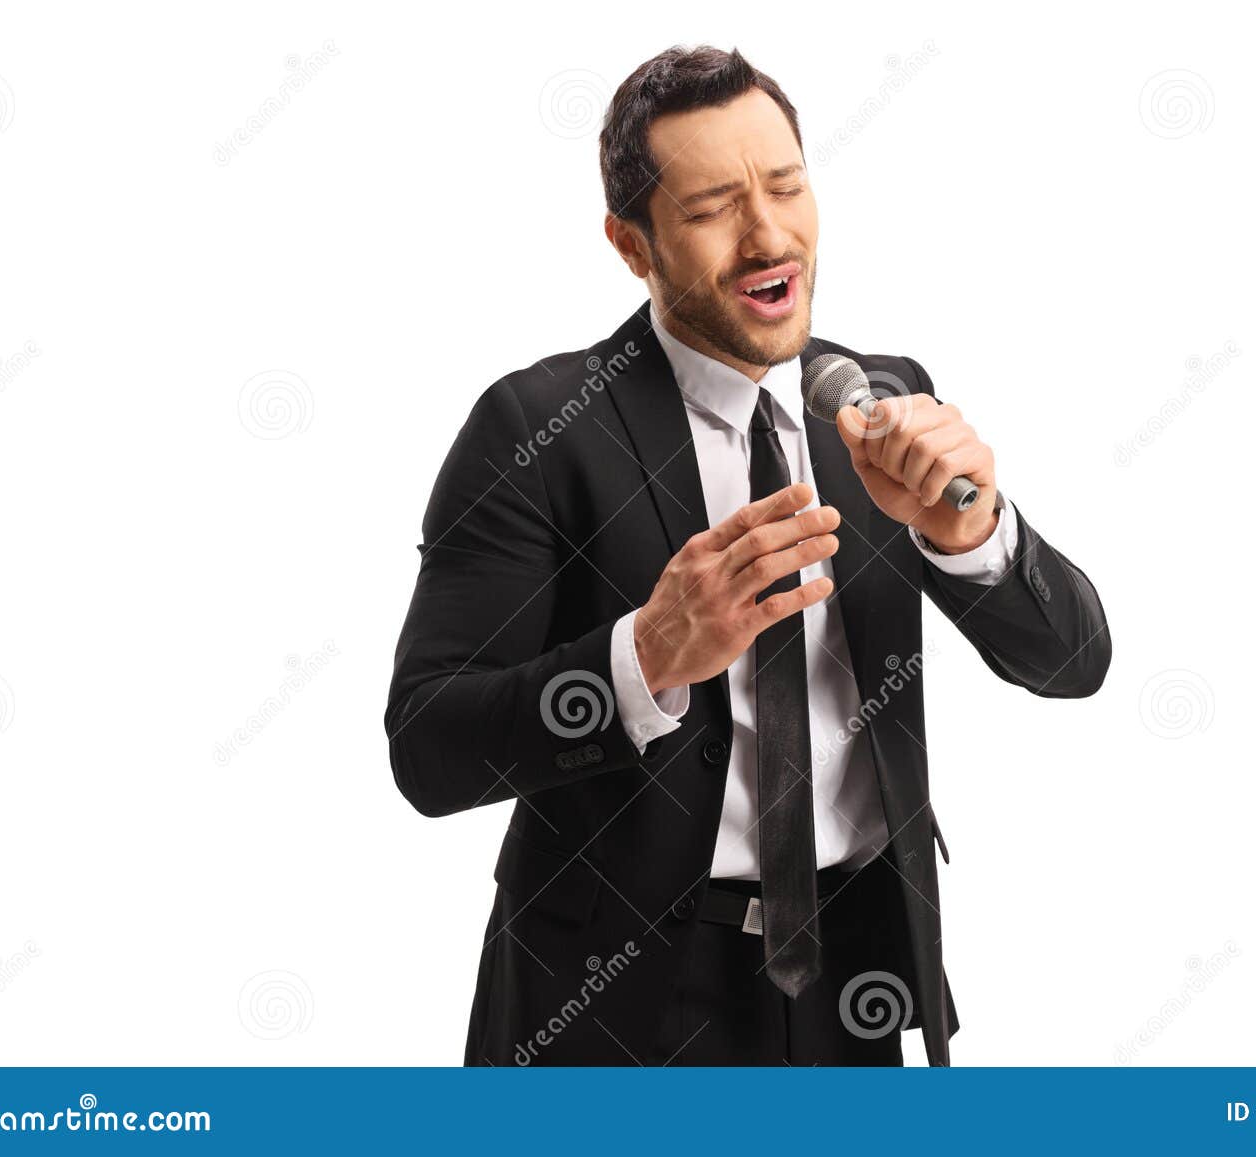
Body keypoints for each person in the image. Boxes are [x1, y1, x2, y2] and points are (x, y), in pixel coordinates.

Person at [384, 44, 1110, 1065]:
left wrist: (970, 534)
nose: (768, 235)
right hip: (614, 1002)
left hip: (857, 985)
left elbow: (1072, 663)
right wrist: (644, 655)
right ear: (632, 246)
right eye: (712, 207)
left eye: (785, 186)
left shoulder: (881, 398)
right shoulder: (537, 428)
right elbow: (427, 747)